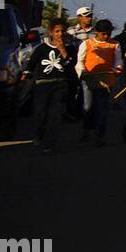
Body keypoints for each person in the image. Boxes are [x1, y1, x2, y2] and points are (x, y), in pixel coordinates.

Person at [22, 17, 76, 153]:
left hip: (60, 85)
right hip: (42, 84)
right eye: (57, 31)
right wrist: (26, 75)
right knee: (40, 113)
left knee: (54, 115)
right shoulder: (42, 48)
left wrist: (63, 50)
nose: (60, 34)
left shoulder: (69, 49)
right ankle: (38, 134)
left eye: (62, 31)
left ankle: (49, 143)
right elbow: (31, 64)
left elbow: (70, 67)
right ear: (51, 32)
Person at [77, 19, 124, 146]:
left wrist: (117, 70)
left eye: (108, 33)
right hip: (89, 79)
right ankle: (87, 131)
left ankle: (99, 135)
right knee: (88, 107)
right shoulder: (87, 44)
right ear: (97, 32)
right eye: (104, 34)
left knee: (102, 108)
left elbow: (118, 61)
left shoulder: (115, 44)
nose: (106, 36)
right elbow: (80, 61)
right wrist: (82, 73)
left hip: (105, 80)